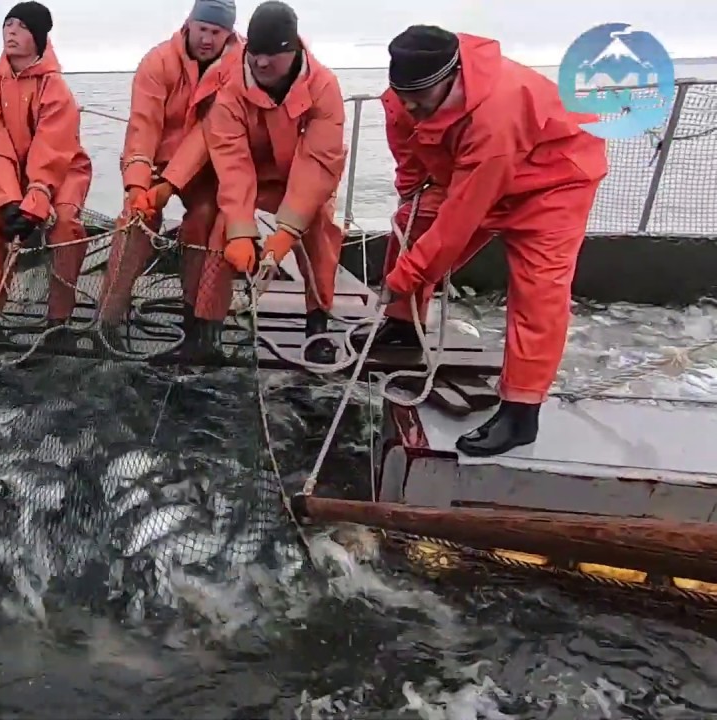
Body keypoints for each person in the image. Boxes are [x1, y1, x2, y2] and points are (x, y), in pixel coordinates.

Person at [355, 25, 607, 457]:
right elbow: (410, 152)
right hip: (477, 174)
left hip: (553, 179)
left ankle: (521, 411)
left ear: (450, 78)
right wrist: (410, 193)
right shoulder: (405, 97)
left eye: (420, 98)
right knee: (412, 223)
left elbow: (462, 216)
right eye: (404, 97)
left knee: (539, 290)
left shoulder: (497, 113)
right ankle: (402, 326)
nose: (410, 106)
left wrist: (403, 276)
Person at [204, 0, 348, 365]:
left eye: (272, 55)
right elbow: (231, 160)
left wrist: (286, 230)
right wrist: (240, 228)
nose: (261, 63)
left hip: (302, 178)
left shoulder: (325, 86)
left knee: (319, 230)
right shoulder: (230, 84)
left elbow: (318, 164)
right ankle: (206, 327)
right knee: (222, 227)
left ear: (294, 50)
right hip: (254, 175)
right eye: (255, 53)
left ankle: (318, 322)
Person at [98, 0, 243, 352]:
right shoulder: (157, 61)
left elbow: (212, 131)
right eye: (203, 28)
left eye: (216, 31)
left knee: (205, 221)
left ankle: (199, 321)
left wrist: (172, 184)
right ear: (189, 23)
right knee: (135, 222)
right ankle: (107, 320)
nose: (208, 38)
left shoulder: (241, 67)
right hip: (156, 164)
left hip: (207, 166)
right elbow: (143, 126)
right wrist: (137, 183)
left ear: (229, 33)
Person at [0, 1, 92, 335]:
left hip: (62, 172)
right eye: (8, 24)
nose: (11, 31)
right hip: (8, 175)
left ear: (38, 37)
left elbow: (53, 148)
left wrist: (36, 199)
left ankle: (59, 321)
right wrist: (8, 199)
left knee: (66, 229)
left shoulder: (57, 88)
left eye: (22, 26)